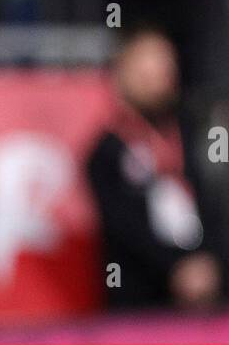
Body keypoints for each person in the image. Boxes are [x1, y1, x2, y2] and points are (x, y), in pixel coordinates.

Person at [86, 27, 221, 311]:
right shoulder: (106, 152)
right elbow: (123, 227)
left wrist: (206, 259)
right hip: (140, 304)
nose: (157, 77)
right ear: (121, 73)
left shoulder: (191, 132)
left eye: (164, 67)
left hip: (202, 296)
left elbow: (212, 206)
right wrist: (175, 268)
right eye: (145, 69)